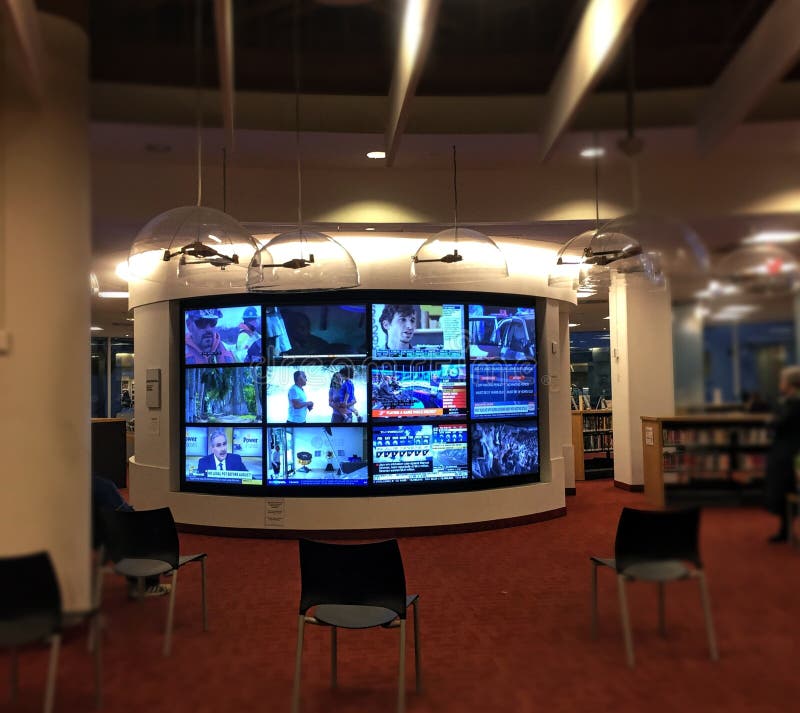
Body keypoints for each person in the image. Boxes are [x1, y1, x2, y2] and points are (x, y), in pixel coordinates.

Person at [91, 476, 169, 598]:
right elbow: (126, 515)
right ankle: (147, 584)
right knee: (149, 527)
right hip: (111, 536)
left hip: (90, 535)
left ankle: (155, 569)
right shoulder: (103, 486)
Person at [764, 365, 800, 543]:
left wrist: (772, 421)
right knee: (784, 490)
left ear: (791, 384)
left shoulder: (793, 404)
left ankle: (786, 529)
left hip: (788, 452)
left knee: (783, 489)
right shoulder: (787, 402)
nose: (780, 384)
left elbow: (777, 423)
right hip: (786, 450)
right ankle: (785, 529)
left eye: (782, 381)